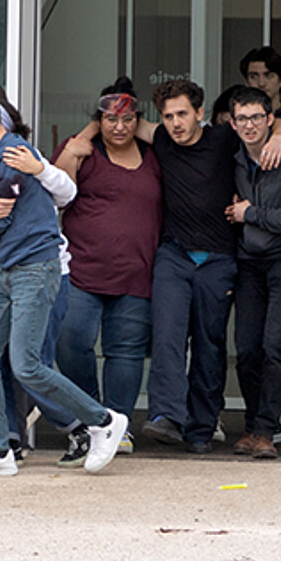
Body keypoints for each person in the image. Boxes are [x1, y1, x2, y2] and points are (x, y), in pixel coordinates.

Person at [0, 88, 128, 477]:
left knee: (27, 365)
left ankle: (104, 422)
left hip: (34, 269)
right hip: (11, 270)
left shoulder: (12, 156)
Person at [132, 78, 281, 453]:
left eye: (183, 114)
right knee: (167, 335)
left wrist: (279, 136)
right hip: (174, 254)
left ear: (200, 113)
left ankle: (200, 428)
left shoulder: (223, 139)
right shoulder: (164, 140)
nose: (175, 123)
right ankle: (166, 416)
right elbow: (123, 120)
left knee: (209, 344)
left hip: (218, 258)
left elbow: (271, 123)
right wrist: (84, 135)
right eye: (168, 116)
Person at [51, 78, 161, 464]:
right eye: (110, 120)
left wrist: (130, 123)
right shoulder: (83, 151)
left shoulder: (155, 154)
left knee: (126, 353)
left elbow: (170, 133)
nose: (119, 126)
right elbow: (56, 190)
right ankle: (91, 420)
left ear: (138, 120)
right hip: (82, 269)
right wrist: (82, 139)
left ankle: (121, 425)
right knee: (71, 341)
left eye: (128, 119)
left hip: (136, 272)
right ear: (98, 121)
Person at [226, 87, 281, 458]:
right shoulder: (231, 159)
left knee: (275, 346)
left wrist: (250, 214)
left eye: (256, 118)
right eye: (242, 118)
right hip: (249, 261)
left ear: (269, 120)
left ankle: (266, 430)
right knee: (246, 348)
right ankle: (252, 426)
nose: (249, 125)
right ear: (232, 123)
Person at [240, 45, 281, 114]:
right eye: (254, 77)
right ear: (246, 82)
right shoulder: (239, 116)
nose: (261, 83)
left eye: (268, 76)